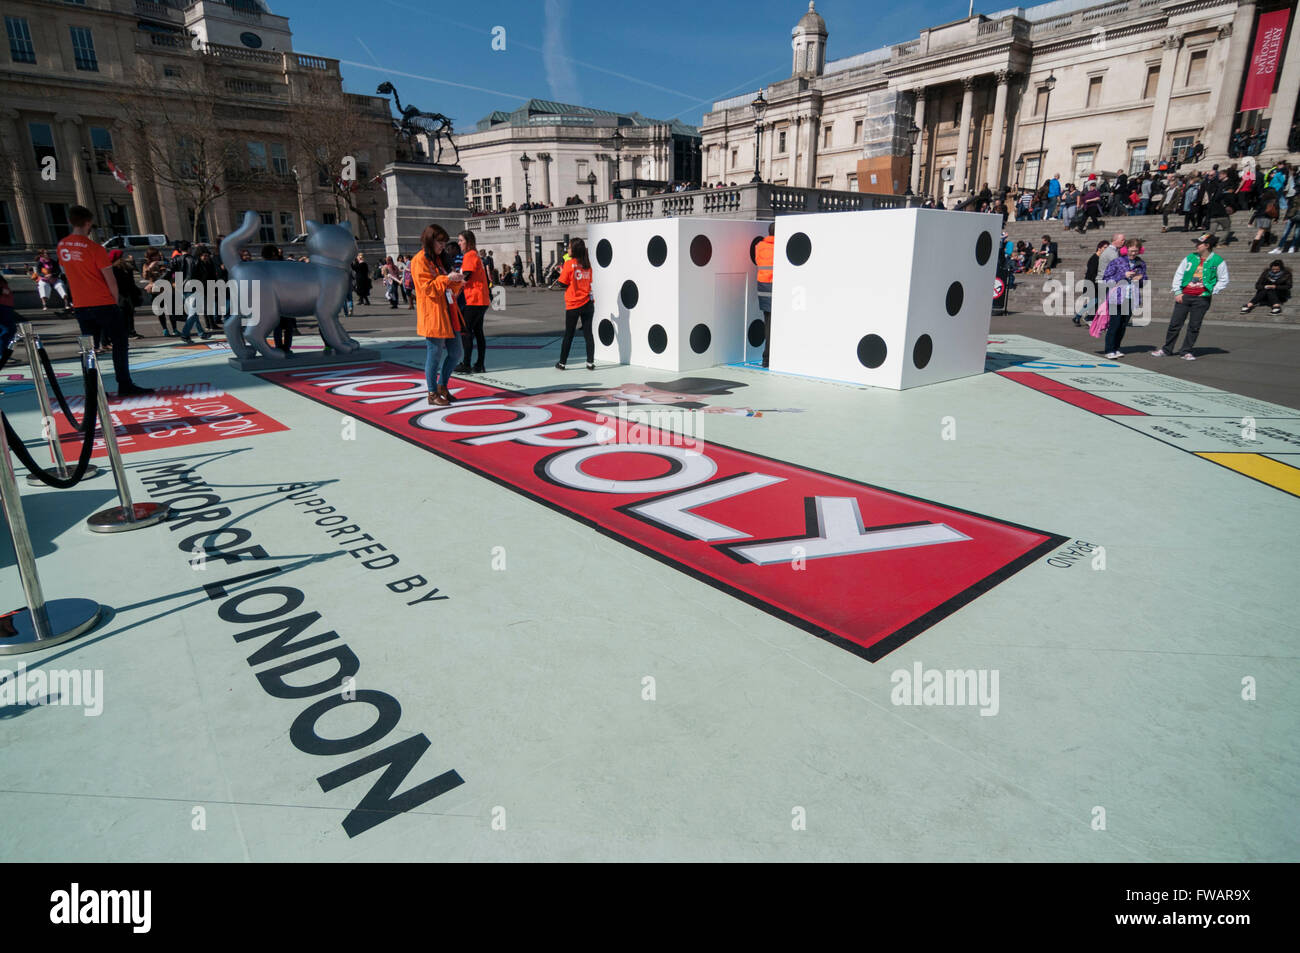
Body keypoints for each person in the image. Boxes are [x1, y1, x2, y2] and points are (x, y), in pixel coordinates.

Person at [56, 205, 153, 395]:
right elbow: (111, 281)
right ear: (88, 223)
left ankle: (93, 390)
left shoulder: (62, 246)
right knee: (119, 343)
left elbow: (66, 273)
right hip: (103, 302)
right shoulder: (95, 249)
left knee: (88, 349)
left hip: (82, 304)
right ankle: (124, 384)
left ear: (70, 221)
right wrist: (115, 302)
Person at [1152, 233, 1228, 361]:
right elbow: (1179, 274)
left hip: (1202, 298)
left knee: (1194, 326)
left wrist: (1211, 291)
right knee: (1175, 324)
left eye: (1199, 243)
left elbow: (1224, 279)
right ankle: (1166, 349)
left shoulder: (1218, 261)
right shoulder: (1190, 258)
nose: (1196, 246)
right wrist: (1177, 292)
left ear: (1207, 245)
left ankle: (1186, 351)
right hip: (1185, 295)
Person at [411, 223, 465, 405]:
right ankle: (432, 393)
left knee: (456, 352)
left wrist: (456, 281)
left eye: (444, 242)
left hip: (448, 312)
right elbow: (426, 289)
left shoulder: (440, 259)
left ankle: (442, 386)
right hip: (434, 314)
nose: (443, 246)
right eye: (439, 242)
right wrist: (447, 279)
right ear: (429, 241)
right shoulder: (420, 260)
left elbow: (447, 286)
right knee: (434, 354)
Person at [553, 237, 594, 371]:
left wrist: (560, 273)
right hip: (587, 303)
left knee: (569, 334)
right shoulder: (587, 264)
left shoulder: (569, 264)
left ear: (574, 249)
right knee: (588, 334)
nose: (567, 249)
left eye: (569, 247)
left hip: (573, 304)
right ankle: (590, 362)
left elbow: (561, 283)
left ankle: (562, 363)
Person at [1101, 239, 1147, 359]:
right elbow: (1106, 278)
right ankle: (1109, 349)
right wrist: (1123, 275)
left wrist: (1141, 279)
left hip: (1131, 297)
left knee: (1122, 325)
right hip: (1116, 297)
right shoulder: (1117, 261)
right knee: (1114, 324)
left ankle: (1116, 348)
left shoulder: (1141, 263)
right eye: (1131, 251)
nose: (1133, 253)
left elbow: (1144, 281)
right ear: (1126, 249)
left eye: (1136, 251)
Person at [454, 230, 490, 373]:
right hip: (481, 299)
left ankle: (466, 363)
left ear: (468, 242)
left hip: (474, 299)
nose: (459, 243)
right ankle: (479, 364)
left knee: (465, 330)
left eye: (461, 240)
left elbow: (466, 275)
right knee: (478, 332)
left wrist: (454, 285)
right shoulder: (474, 255)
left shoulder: (469, 255)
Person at [109, 250, 143, 343]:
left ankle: (126, 332)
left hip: (119, 294)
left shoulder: (112, 268)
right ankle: (131, 331)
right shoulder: (127, 267)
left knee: (122, 314)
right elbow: (132, 281)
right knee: (129, 314)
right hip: (129, 293)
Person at [1074, 239, 1109, 326]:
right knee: (1095, 301)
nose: (1106, 250)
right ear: (1099, 248)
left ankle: (1079, 317)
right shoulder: (1094, 259)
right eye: (1105, 247)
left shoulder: (1101, 258)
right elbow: (1092, 273)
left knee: (1094, 302)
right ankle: (1087, 318)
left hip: (1096, 284)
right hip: (1091, 284)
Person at [756, 222, 775, 366]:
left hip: (762, 287)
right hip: (774, 287)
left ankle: (766, 358)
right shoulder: (779, 247)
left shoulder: (760, 246)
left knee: (767, 321)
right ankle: (770, 357)